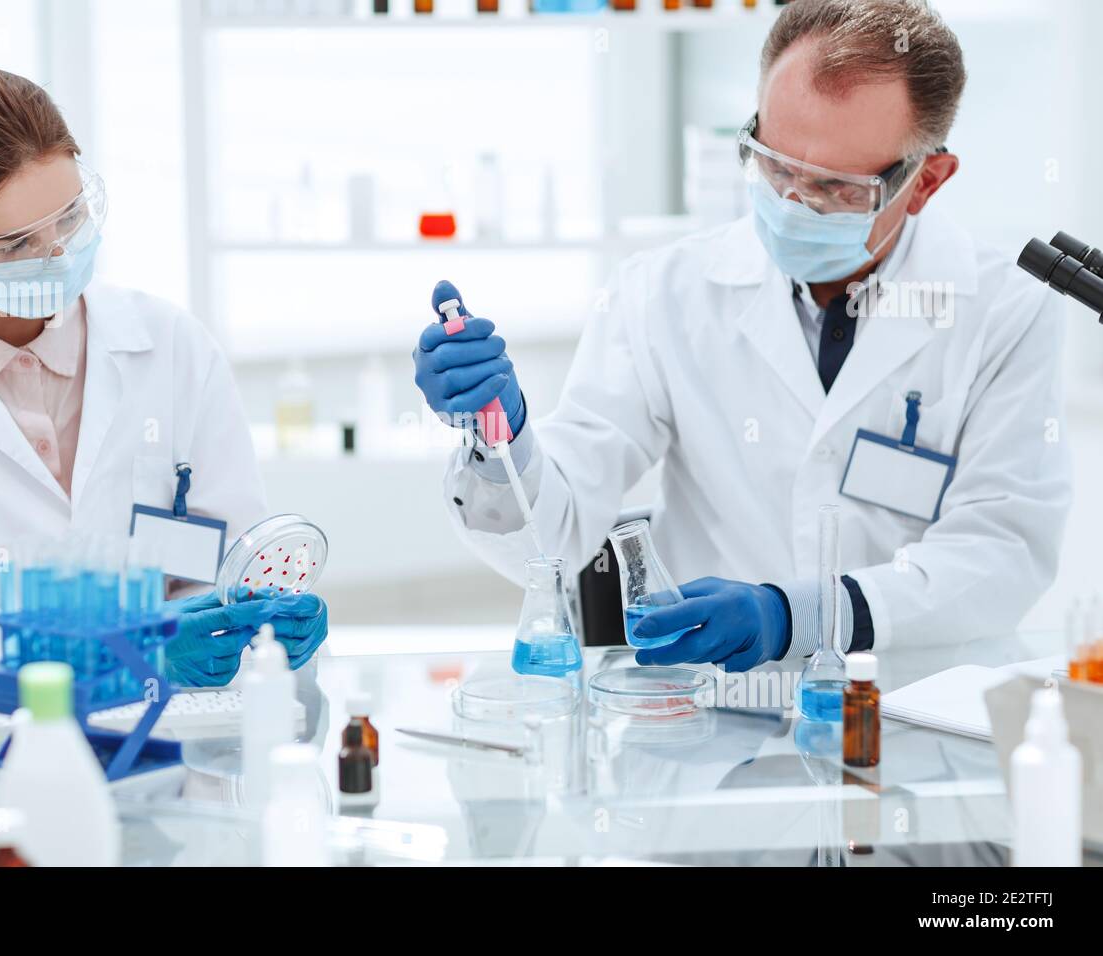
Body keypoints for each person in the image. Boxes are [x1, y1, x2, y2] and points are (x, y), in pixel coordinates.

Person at [413, 0, 1070, 670]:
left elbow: (1001, 554)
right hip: (712, 711)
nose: (790, 205)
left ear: (926, 181)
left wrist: (798, 616)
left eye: (837, 189)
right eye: (774, 165)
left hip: (908, 708)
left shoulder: (1004, 312)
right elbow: (550, 540)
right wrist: (503, 439)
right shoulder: (663, 293)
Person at [0, 64, 327, 692]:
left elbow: (224, 569)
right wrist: (103, 654)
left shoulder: (170, 349)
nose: (57, 254)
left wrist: (258, 620)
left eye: (71, 218)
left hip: (162, 756)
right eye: (17, 245)